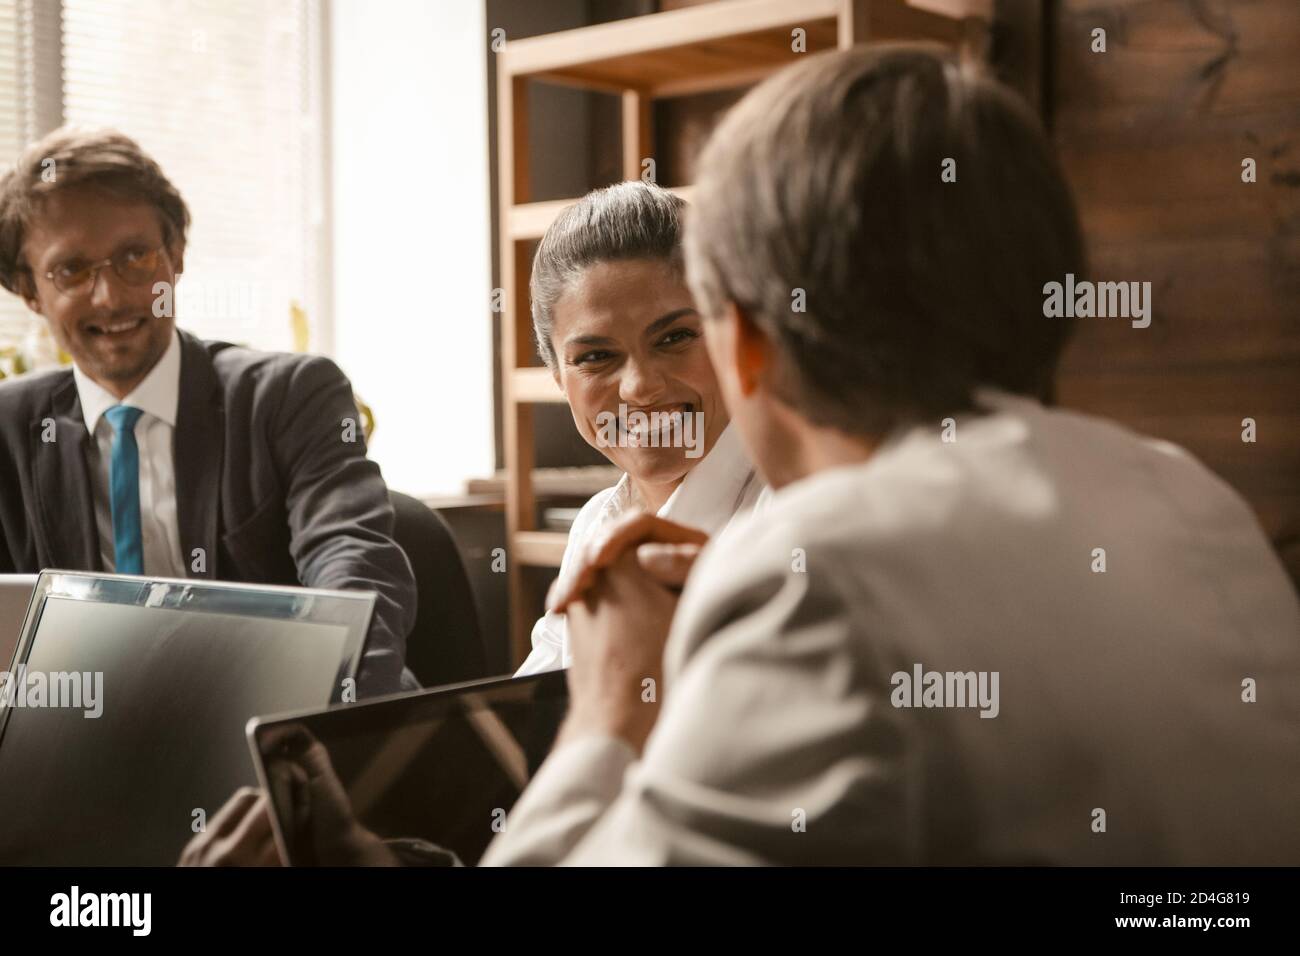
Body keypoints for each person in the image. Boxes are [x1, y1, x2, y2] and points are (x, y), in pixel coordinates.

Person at [180, 44, 1300, 868]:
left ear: (744, 336)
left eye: (686, 329)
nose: (642, 386)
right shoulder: (1187, 496)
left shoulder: (814, 570)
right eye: (594, 356)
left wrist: (610, 712)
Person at [0, 127, 417, 696]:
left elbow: (353, 561)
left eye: (134, 256)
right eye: (71, 270)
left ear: (175, 256)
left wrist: (331, 702)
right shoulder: (8, 433)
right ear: (29, 292)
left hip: (278, 712)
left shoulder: (288, 396)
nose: (111, 297)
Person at [515, 180, 766, 676]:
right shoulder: (595, 525)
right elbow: (534, 713)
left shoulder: (791, 512)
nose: (641, 387)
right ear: (557, 377)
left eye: (675, 337)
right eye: (596, 357)